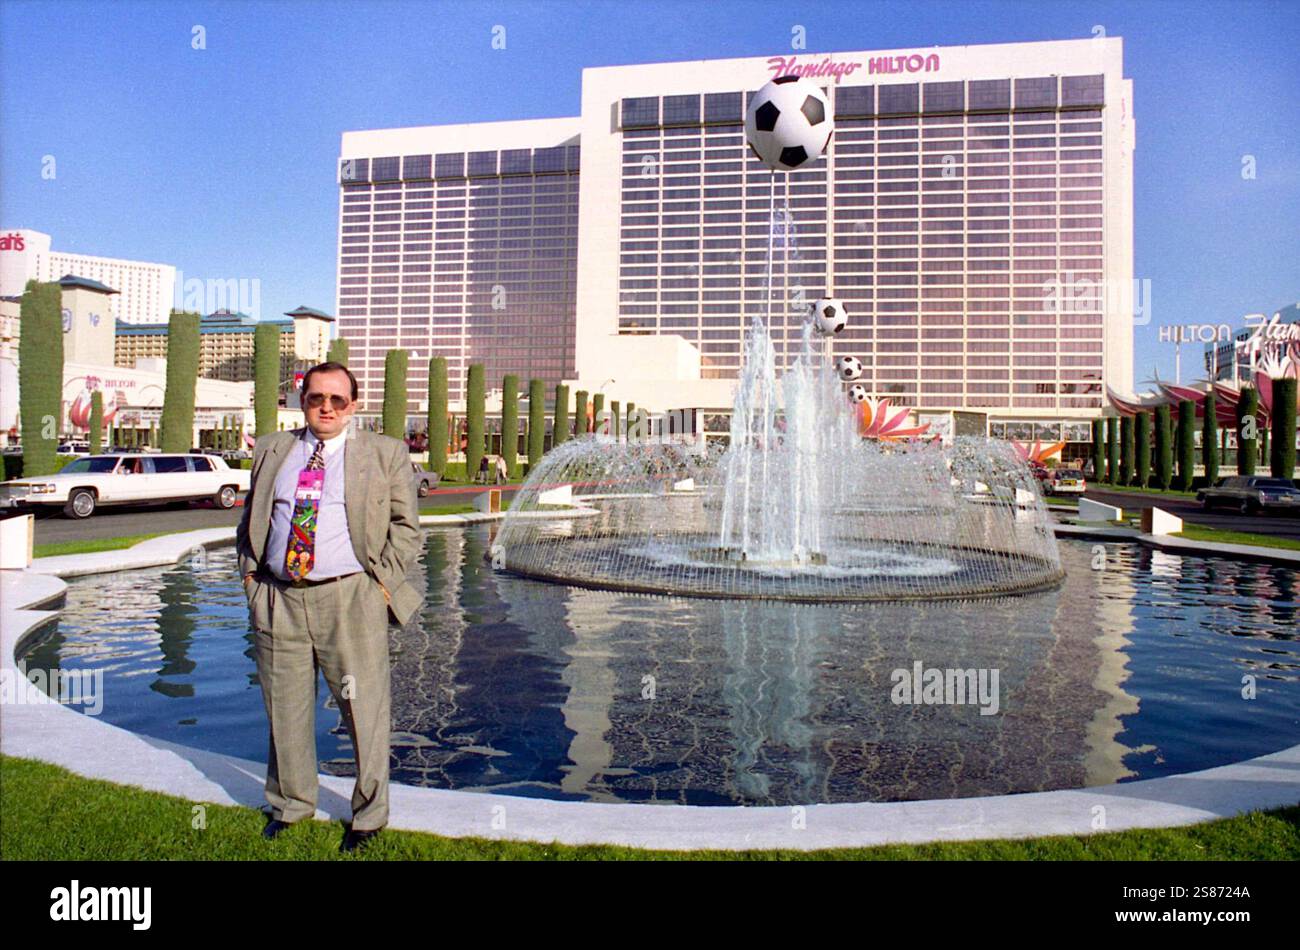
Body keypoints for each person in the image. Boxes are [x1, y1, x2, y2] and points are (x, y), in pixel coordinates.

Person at [234, 361, 423, 853]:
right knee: (285, 709)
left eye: (338, 400)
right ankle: (291, 804)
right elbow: (252, 517)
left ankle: (368, 815)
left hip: (350, 598)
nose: (327, 408)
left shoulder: (385, 454)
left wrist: (380, 585)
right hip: (278, 597)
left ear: (353, 406)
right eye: (317, 398)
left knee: (364, 710)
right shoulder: (275, 449)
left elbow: (406, 529)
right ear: (303, 400)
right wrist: (251, 577)